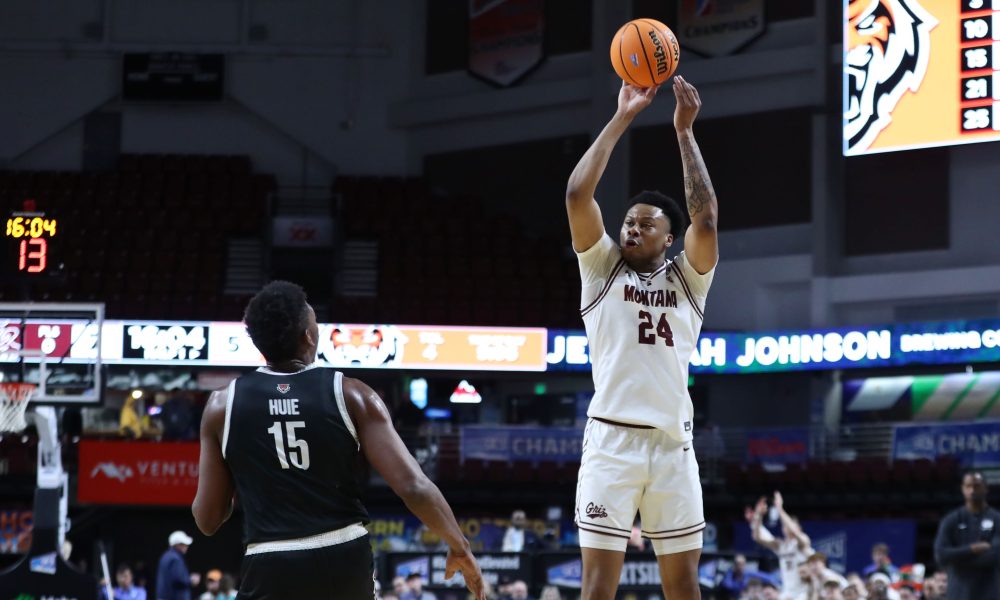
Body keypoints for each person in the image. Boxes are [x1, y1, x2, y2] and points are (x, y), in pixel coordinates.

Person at [191, 281, 484, 600]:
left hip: (269, 559)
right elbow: (413, 486)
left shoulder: (222, 406)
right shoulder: (353, 394)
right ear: (308, 335)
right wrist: (460, 546)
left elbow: (208, 519)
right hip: (343, 555)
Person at [566, 75, 719, 600]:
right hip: (612, 443)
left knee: (683, 586)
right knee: (597, 588)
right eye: (628, 222)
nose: (631, 229)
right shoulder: (601, 267)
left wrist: (684, 132)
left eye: (645, 225)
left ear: (669, 238)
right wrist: (623, 115)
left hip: (673, 445)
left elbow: (706, 219)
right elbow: (577, 194)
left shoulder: (688, 280)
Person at [933, 471, 1000, 600]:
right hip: (958, 594)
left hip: (989, 594)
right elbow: (940, 555)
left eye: (977, 486)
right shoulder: (951, 520)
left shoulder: (997, 519)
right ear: (962, 489)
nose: (972, 490)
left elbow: (995, 556)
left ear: (986, 488)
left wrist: (956, 559)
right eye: (968, 486)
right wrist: (972, 549)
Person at [747, 493, 814, 600]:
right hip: (787, 592)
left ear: (798, 527)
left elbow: (794, 531)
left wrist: (779, 509)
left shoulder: (803, 542)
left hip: (805, 592)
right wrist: (758, 515)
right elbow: (757, 537)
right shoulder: (780, 546)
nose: (786, 527)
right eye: (784, 526)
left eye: (789, 524)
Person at [156, 531, 197, 600]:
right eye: (184, 544)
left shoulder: (165, 556)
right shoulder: (175, 558)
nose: (186, 546)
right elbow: (178, 579)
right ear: (177, 545)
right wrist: (191, 580)